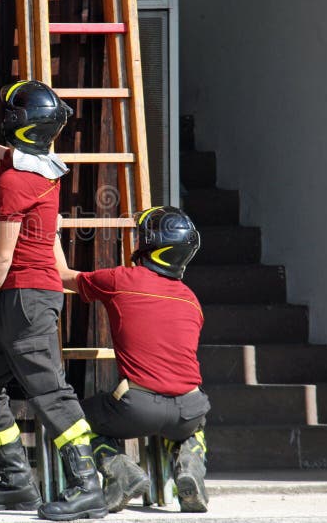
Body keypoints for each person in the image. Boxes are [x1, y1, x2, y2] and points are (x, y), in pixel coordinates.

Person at [0, 80, 107, 521]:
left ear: (19, 124)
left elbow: (2, 254)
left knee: (49, 390)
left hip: (23, 297)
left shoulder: (13, 182)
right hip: (20, 297)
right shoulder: (35, 166)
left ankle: (87, 486)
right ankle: (17, 480)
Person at [54, 205, 211, 514]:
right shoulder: (191, 299)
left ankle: (122, 472)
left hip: (137, 408)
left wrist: (53, 231)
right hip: (189, 409)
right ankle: (190, 465)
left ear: (149, 245)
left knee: (73, 420)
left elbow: (62, 276)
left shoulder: (121, 280)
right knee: (191, 428)